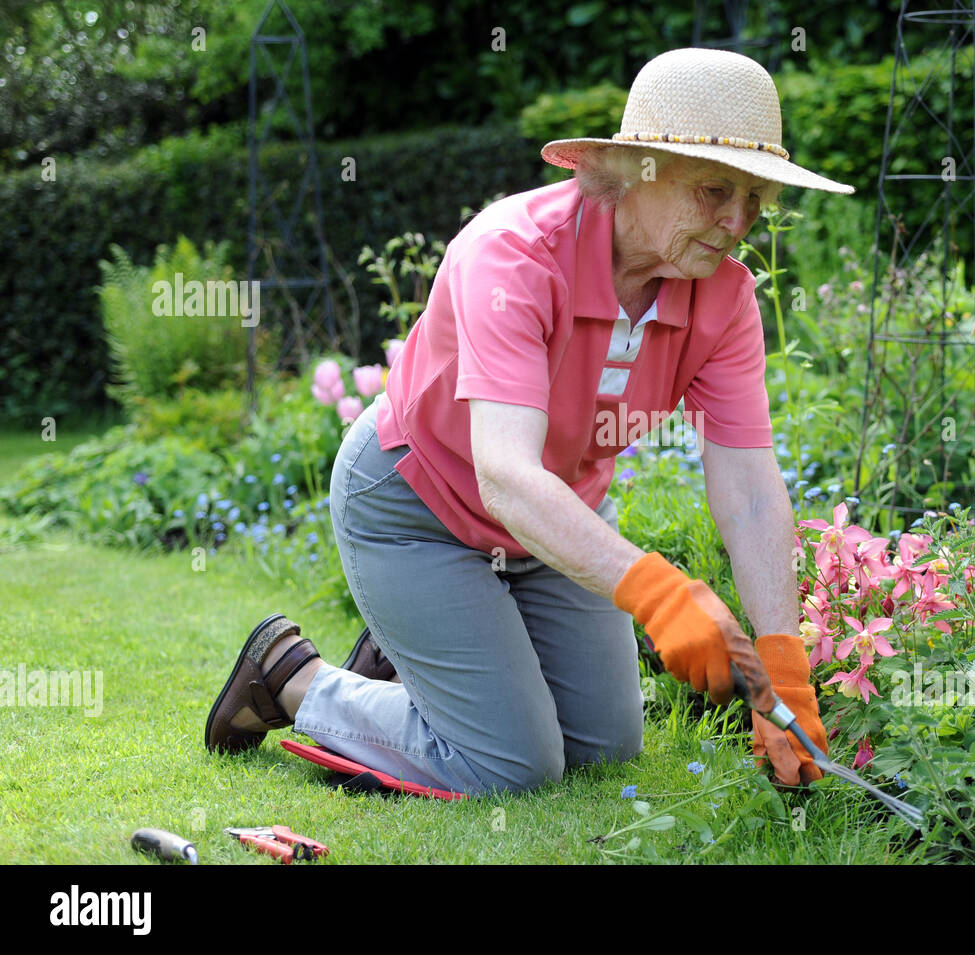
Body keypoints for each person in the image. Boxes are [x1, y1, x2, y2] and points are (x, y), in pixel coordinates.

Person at [205, 47, 855, 795]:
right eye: (715, 191)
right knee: (514, 764)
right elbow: (507, 475)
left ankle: (425, 658)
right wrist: (656, 592)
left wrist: (782, 666)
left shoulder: (724, 296)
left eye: (756, 198)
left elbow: (746, 487)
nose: (739, 222)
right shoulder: (513, 256)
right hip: (419, 509)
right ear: (632, 168)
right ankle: (292, 676)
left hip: (555, 524)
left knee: (604, 749)